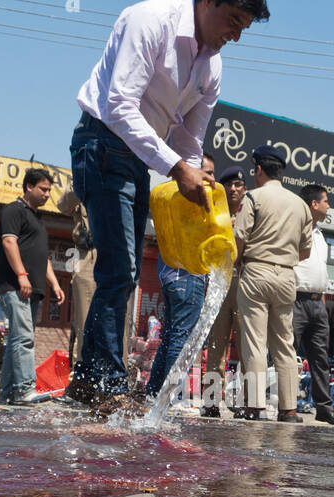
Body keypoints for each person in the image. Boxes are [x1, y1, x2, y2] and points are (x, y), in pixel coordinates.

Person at [66, 0, 270, 410]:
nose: (236, 35)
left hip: (140, 161)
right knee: (119, 270)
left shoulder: (211, 66)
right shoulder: (150, 20)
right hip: (102, 144)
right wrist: (178, 169)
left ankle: (89, 381)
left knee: (122, 272)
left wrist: (194, 180)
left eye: (244, 28)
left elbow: (190, 142)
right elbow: (119, 105)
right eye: (233, 21)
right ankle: (103, 383)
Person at [233, 144, 313, 422]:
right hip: (287, 276)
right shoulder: (301, 204)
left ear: (258, 170)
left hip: (256, 271)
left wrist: (239, 261)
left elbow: (239, 238)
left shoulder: (252, 198)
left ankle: (256, 407)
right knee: (285, 344)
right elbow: (306, 251)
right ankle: (289, 409)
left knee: (255, 342)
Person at [145, 154, 216, 397]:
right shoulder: (194, 200)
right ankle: (169, 399)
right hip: (189, 273)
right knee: (181, 339)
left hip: (169, 274)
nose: (211, 178)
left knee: (170, 337)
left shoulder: (169, 194)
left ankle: (154, 394)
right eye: (207, 172)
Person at [0, 168, 66, 406]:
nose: (47, 194)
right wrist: (22, 275)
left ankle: (8, 394)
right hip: (15, 286)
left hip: (32, 288)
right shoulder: (13, 210)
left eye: (49, 190)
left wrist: (55, 283)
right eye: (43, 189)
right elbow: (9, 242)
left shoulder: (37, 219)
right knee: (24, 338)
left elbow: (42, 256)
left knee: (17, 340)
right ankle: (25, 389)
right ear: (29, 187)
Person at [292, 183, 334, 425]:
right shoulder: (294, 228)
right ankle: (287, 406)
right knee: (288, 356)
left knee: (321, 359)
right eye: (326, 201)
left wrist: (322, 303)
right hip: (295, 299)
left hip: (317, 303)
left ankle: (324, 408)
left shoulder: (321, 235)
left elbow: (319, 272)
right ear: (314, 204)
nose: (329, 205)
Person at [201, 162, 246, 417]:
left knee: (246, 349)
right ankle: (210, 403)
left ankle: (244, 404)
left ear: (245, 188)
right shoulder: (214, 212)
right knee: (216, 347)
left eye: (238, 185)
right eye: (228, 184)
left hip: (244, 284)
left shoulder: (251, 214)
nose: (232, 189)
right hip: (219, 282)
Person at [57, 187, 97, 368]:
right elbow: (63, 205)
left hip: (115, 253)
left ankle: (111, 380)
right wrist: (82, 179)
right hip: (88, 254)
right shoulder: (84, 181)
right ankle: (81, 376)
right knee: (84, 321)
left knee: (114, 322)